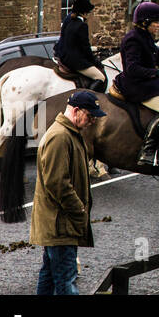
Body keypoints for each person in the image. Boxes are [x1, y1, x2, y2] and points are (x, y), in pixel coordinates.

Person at [31, 90, 104, 295]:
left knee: (49, 277)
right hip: (60, 224)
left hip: (57, 223)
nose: (92, 121)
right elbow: (58, 183)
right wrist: (79, 211)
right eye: (90, 116)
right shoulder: (60, 137)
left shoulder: (69, 134)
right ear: (76, 110)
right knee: (66, 281)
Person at [117, 1, 159, 169]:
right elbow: (132, 69)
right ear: (145, 22)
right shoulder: (133, 40)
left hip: (147, 83)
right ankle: (147, 151)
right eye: (156, 22)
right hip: (135, 85)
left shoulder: (146, 37)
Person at [54, 0, 107, 91]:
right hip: (74, 62)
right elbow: (85, 49)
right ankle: (88, 97)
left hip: (62, 57)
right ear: (84, 12)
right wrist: (96, 62)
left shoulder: (68, 19)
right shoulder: (82, 26)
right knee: (101, 77)